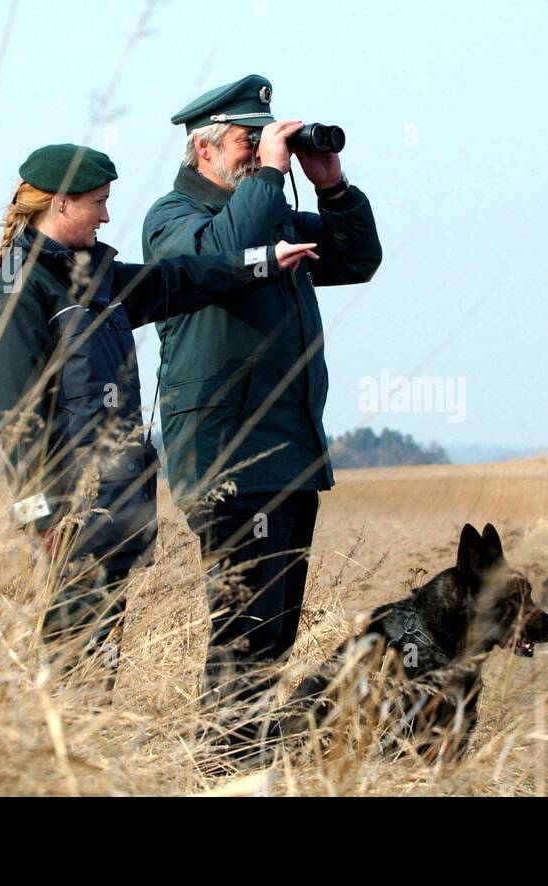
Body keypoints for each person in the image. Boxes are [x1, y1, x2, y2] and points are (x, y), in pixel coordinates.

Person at [0, 143, 317, 692]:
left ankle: (81, 768)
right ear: (59, 204)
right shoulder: (18, 293)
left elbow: (182, 278)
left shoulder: (95, 278)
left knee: (97, 666)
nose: (106, 215)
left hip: (112, 507)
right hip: (70, 520)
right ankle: (51, 772)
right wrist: (43, 519)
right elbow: (18, 422)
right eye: (98, 203)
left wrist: (265, 261)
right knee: (73, 673)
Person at [142, 75, 382, 714]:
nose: (259, 151)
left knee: (273, 635)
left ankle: (245, 759)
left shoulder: (266, 209)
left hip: (290, 453)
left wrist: (329, 183)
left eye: (264, 140)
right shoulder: (173, 220)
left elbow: (358, 258)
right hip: (228, 456)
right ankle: (223, 766)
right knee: (243, 632)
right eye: (249, 140)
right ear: (205, 150)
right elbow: (224, 257)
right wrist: (271, 178)